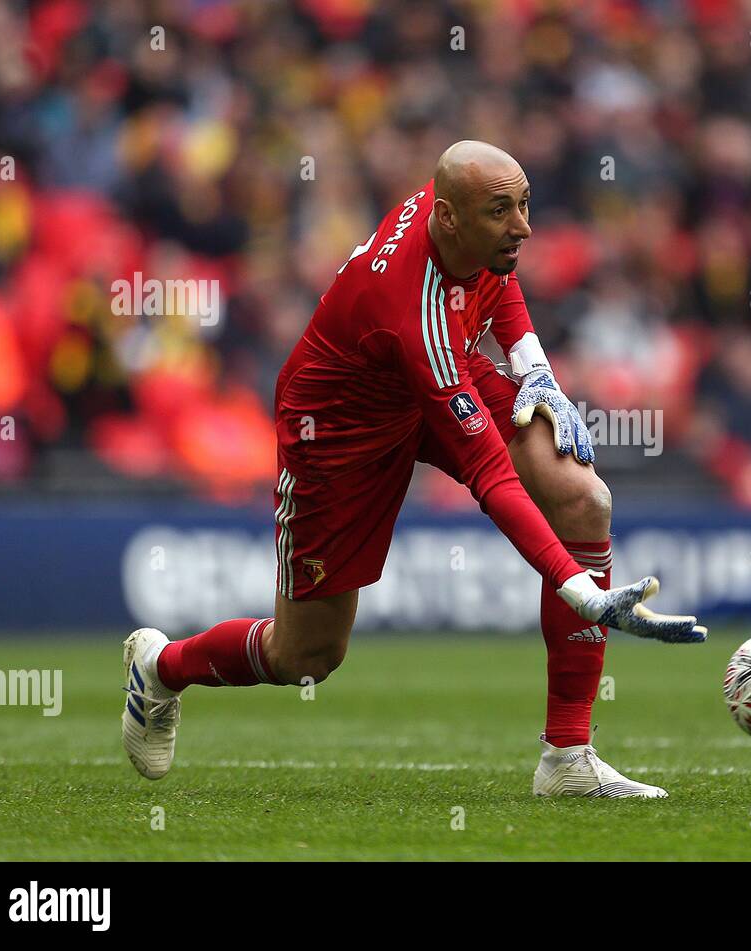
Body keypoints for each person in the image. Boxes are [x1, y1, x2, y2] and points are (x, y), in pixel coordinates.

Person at [121, 141, 705, 799]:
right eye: (503, 210)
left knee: (581, 500)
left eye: (525, 204)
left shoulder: (460, 212)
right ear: (451, 217)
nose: (524, 226)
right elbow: (491, 479)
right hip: (339, 431)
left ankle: (567, 757)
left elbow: (501, 273)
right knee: (307, 656)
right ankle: (161, 667)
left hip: (431, 380)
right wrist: (580, 589)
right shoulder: (412, 309)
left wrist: (533, 364)